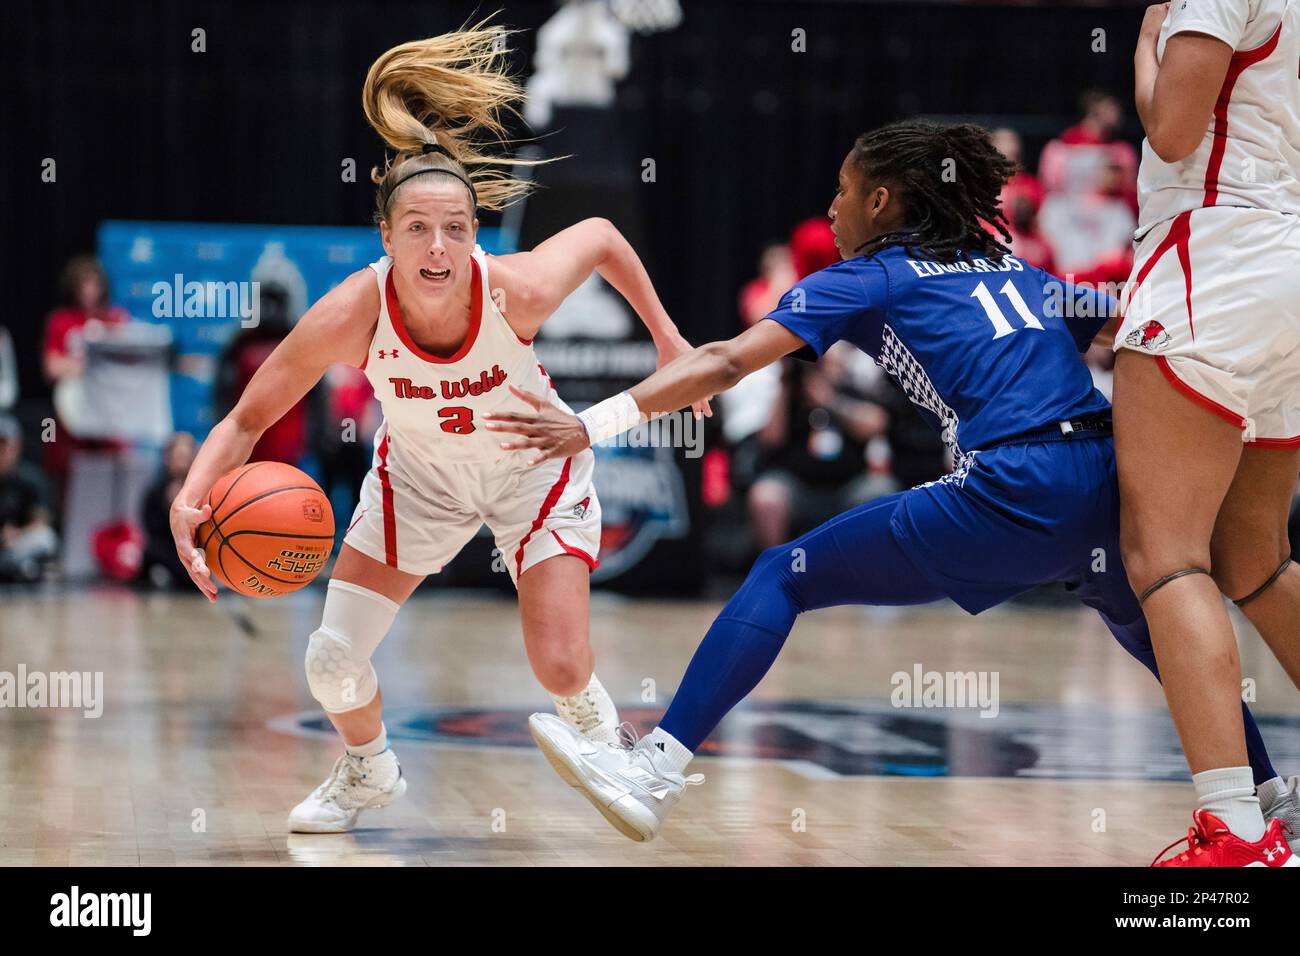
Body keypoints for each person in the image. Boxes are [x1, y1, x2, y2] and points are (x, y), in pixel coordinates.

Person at [485, 119, 1299, 863]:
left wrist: (591, 424)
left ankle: (652, 773)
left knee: (781, 575)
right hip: (1106, 480)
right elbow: (1130, 318)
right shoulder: (1018, 269)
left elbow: (728, 359)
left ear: (881, 199)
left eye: (841, 191)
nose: (832, 209)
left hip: (1015, 485)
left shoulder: (869, 276)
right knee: (1156, 631)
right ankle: (1269, 808)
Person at [167, 22, 704, 834]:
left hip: (533, 467)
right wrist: (191, 499)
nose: (438, 244)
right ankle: (366, 772)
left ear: (474, 235)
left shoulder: (511, 290)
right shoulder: (353, 310)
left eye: (455, 227)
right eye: (417, 227)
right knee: (331, 660)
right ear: (386, 237)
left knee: (559, 664)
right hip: (418, 480)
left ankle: (609, 744)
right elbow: (246, 417)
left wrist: (667, 337)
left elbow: (599, 236)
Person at [1109, 0, 1300, 866]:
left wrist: (1148, 44)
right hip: (1285, 263)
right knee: (1253, 554)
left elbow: (1175, 132)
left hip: (1215, 250)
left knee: (1166, 554)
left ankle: (1234, 831)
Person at [0, 414, 57, 582]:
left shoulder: (30, 478)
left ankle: (16, 567)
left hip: (15, 545)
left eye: (5, 445)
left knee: (44, 537)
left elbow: (41, 519)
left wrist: (16, 533)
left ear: (16, 446)